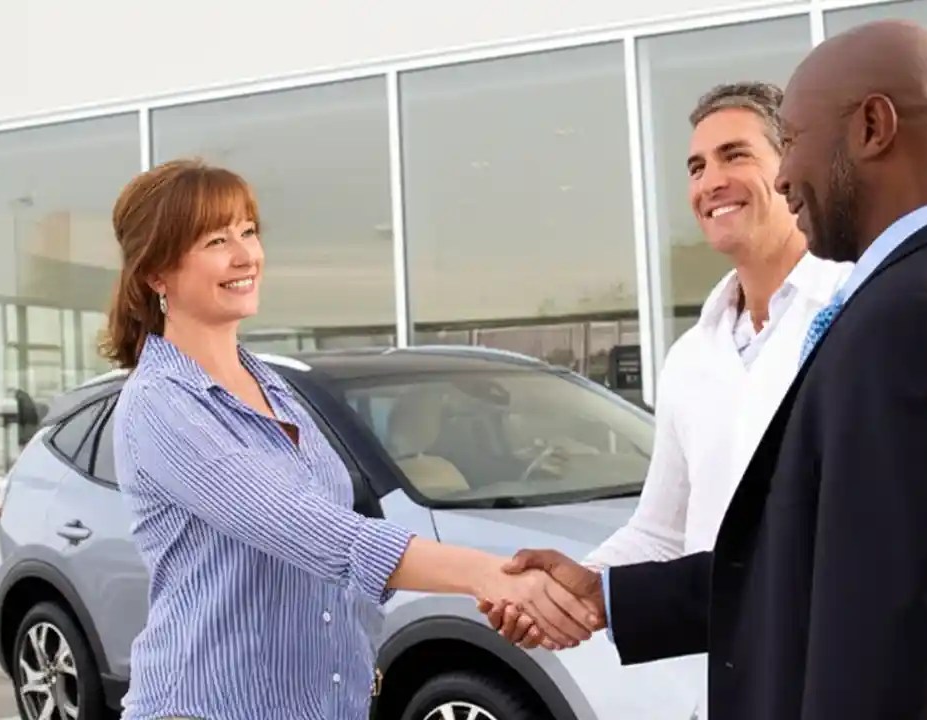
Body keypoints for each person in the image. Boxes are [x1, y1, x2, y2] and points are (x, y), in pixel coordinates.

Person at [487, 19, 927, 720]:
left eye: (792, 141)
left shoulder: (907, 320)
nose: (784, 174)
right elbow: (806, 563)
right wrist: (603, 595)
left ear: (873, 127)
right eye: (695, 166)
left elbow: (885, 642)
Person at [104, 159, 600, 720]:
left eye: (249, 231)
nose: (246, 256)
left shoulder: (275, 387)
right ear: (156, 274)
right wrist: (489, 575)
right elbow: (306, 527)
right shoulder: (160, 403)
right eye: (217, 240)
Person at [483, 82, 850, 717]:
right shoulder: (691, 357)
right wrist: (574, 589)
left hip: (841, 686)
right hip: (728, 691)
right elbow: (660, 529)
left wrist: (604, 599)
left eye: (735, 155)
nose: (712, 182)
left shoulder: (855, 316)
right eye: (697, 166)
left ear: (788, 165)